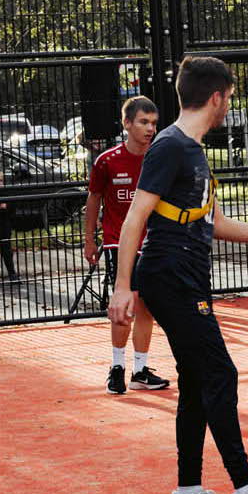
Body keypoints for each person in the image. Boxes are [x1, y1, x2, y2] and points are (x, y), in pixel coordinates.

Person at [109, 56, 248, 494]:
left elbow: (213, 222)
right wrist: (124, 287)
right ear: (217, 96)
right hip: (170, 274)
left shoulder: (192, 150)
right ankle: (246, 491)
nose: (229, 106)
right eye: (230, 97)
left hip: (185, 275)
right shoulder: (172, 146)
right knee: (222, 374)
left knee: (200, 381)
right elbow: (135, 216)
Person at [84, 96, 170, 395]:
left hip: (153, 244)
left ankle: (140, 370)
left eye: (154, 123)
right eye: (144, 122)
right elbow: (93, 199)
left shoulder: (160, 158)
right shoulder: (107, 161)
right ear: (127, 123)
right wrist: (89, 240)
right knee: (127, 304)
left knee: (146, 307)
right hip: (117, 243)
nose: (150, 128)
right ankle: (117, 367)